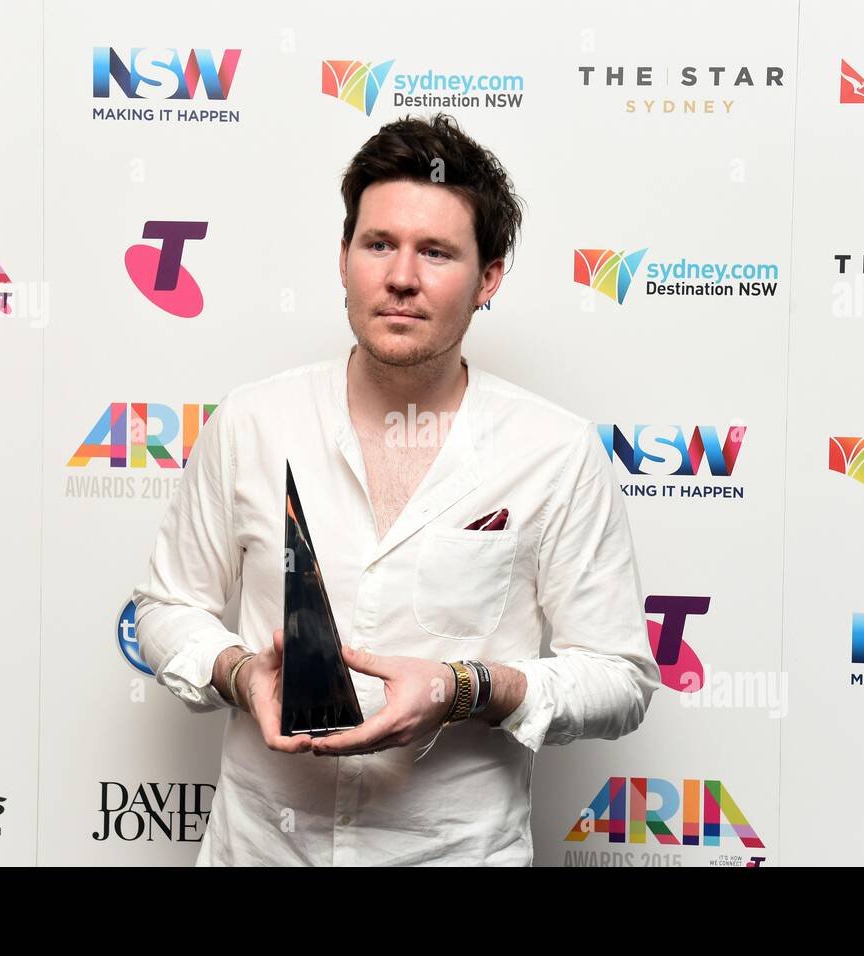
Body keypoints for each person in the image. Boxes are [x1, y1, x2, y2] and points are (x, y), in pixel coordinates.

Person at [132, 113, 659, 866]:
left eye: (436, 252)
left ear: (489, 278)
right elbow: (167, 606)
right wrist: (242, 673)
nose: (401, 276)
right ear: (344, 257)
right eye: (378, 244)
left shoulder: (555, 451)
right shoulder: (252, 421)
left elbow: (620, 679)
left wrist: (468, 688)